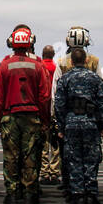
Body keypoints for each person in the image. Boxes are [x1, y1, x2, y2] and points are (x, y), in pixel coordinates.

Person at [0, 24, 51, 204]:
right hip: (32, 116)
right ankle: (30, 193)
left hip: (10, 116)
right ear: (30, 44)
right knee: (30, 156)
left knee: (11, 156)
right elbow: (44, 96)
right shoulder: (37, 65)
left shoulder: (4, 66)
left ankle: (12, 193)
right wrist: (45, 120)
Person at [55, 46, 103, 204]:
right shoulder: (95, 79)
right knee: (91, 159)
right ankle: (91, 194)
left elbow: (59, 105)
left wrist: (61, 126)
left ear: (71, 61)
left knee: (74, 159)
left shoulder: (65, 79)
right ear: (86, 60)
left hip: (71, 122)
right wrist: (102, 125)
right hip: (90, 121)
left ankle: (78, 194)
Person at [38, 45, 60, 185]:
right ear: (53, 55)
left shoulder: (40, 67)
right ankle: (55, 171)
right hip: (54, 108)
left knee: (44, 144)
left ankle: (44, 171)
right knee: (55, 143)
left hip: (42, 109)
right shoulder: (56, 67)